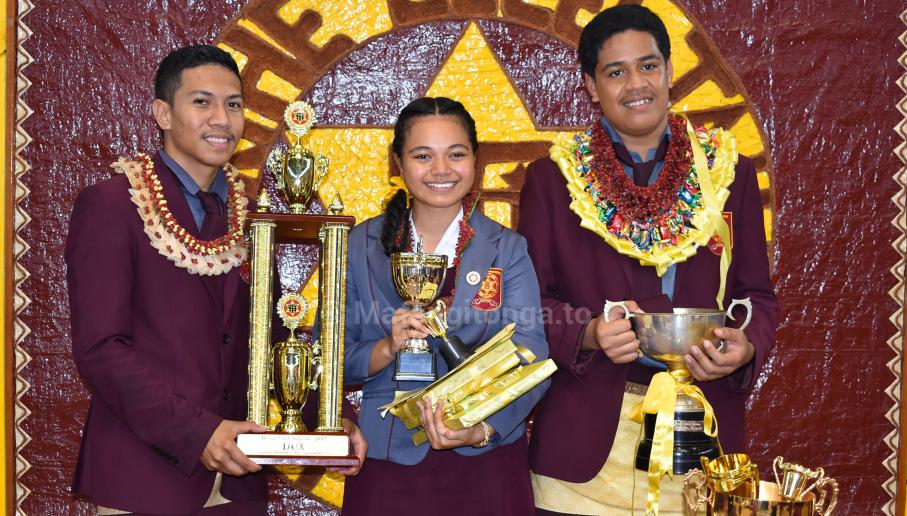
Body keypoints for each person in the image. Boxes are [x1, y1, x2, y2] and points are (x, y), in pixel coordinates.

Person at [66, 44, 366, 515]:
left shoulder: (248, 213)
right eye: (201, 102)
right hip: (144, 478)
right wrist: (198, 432)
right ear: (163, 113)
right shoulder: (112, 205)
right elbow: (101, 350)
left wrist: (329, 422)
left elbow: (266, 341)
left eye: (234, 104)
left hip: (237, 481)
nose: (222, 119)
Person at [518, 5, 778, 515]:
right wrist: (588, 332)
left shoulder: (727, 172)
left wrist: (745, 346)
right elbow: (529, 307)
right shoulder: (552, 180)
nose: (636, 84)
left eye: (648, 66)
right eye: (615, 72)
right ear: (591, 86)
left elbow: (756, 296)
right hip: (582, 455)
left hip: (704, 443)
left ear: (669, 71)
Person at [341, 97, 550, 515]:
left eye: (456, 154)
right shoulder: (358, 245)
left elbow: (532, 357)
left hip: (485, 462)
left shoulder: (506, 249)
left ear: (476, 160)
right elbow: (333, 357)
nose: (441, 170)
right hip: (387, 458)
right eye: (423, 156)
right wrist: (387, 347)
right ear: (397, 163)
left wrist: (481, 429)